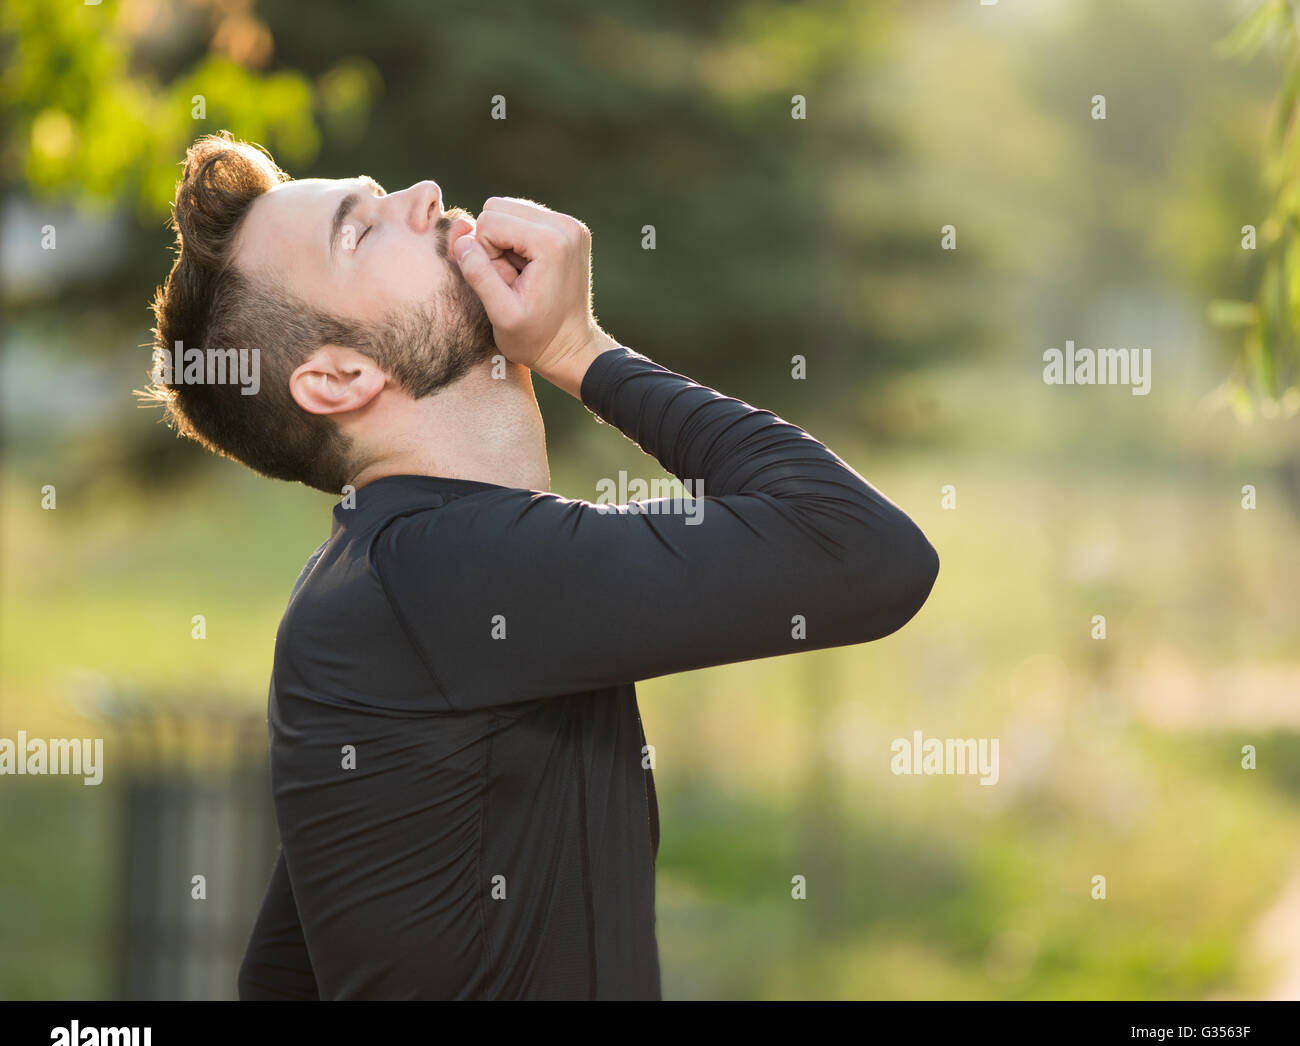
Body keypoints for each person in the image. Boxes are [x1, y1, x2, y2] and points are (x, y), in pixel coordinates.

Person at [145, 132, 940, 1000]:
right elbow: (865, 549)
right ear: (340, 377)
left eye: (380, 191)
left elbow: (288, 971)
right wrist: (574, 347)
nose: (422, 194)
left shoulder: (377, 579)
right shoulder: (438, 572)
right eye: (360, 230)